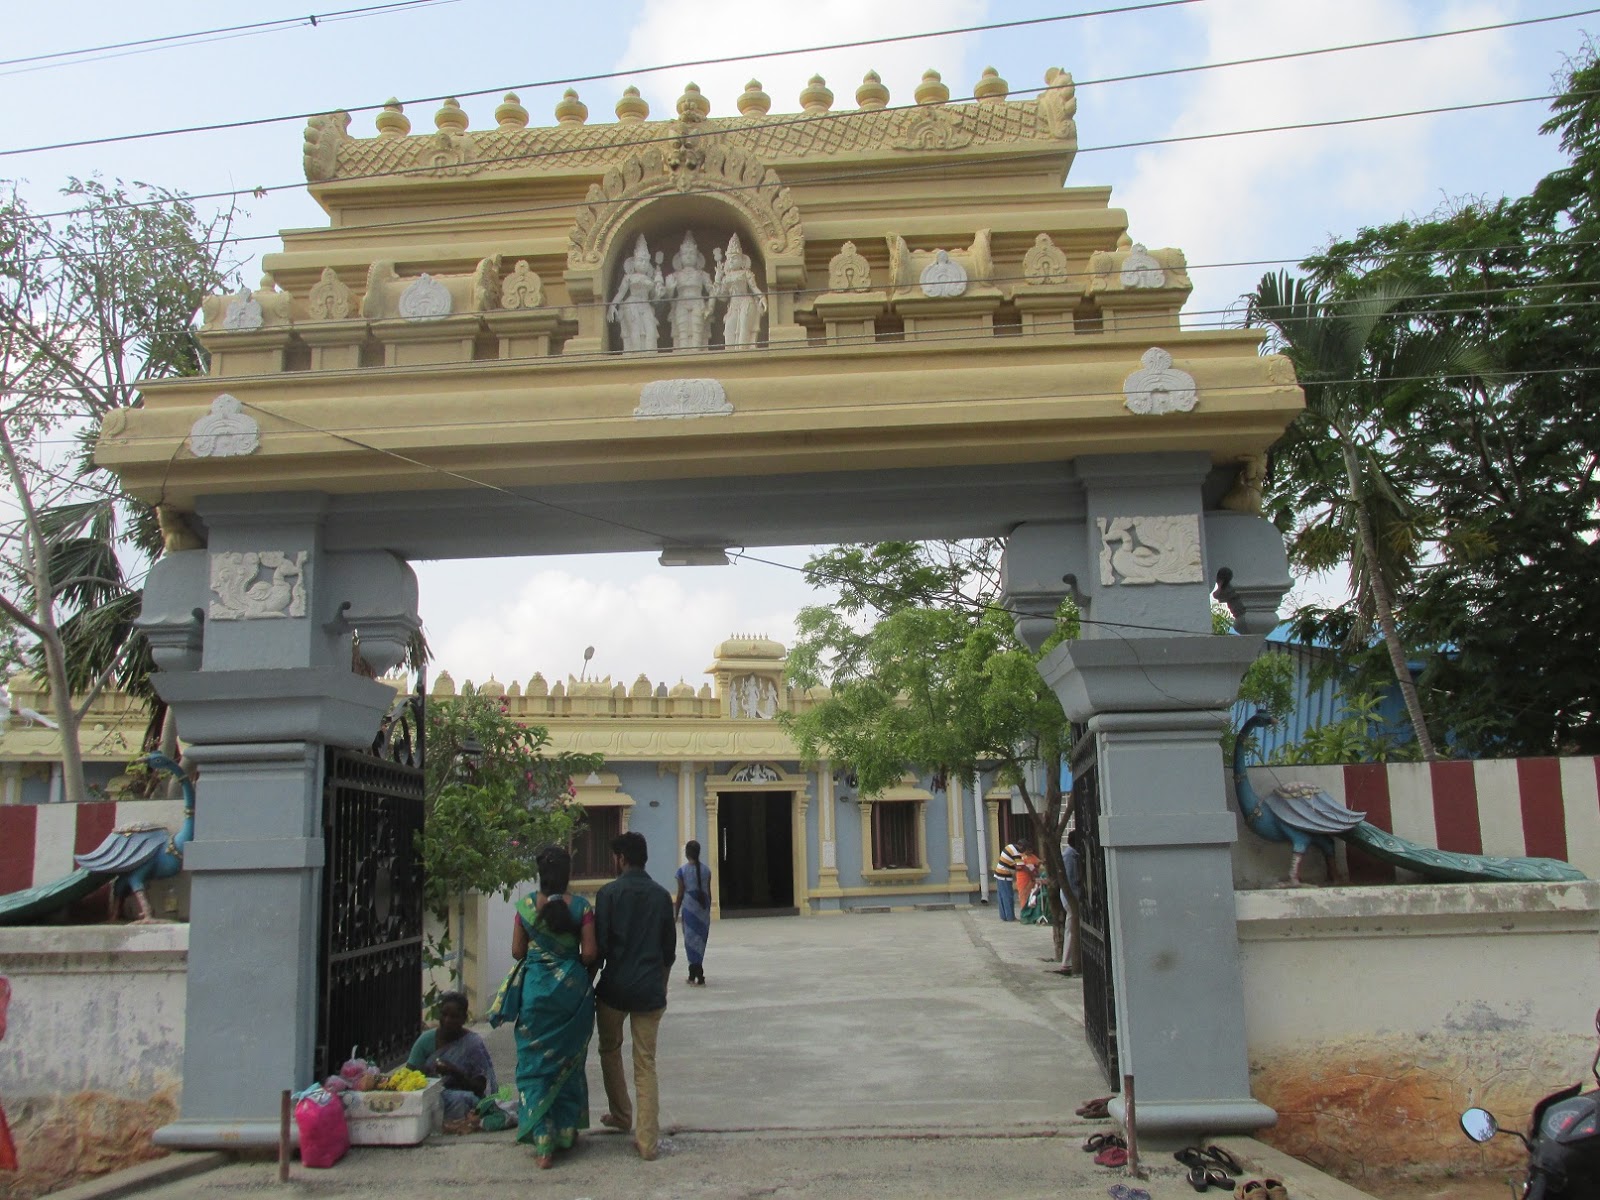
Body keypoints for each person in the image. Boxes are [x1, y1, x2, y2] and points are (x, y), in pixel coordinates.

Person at [509, 845, 599, 1168]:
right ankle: (565, 1131)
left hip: (535, 994)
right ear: (568, 875)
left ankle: (543, 1140)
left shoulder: (525, 908)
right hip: (572, 995)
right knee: (569, 1062)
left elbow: (518, 951)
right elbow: (589, 953)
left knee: (535, 1063)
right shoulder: (583, 908)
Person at [594, 831, 676, 1160]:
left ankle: (621, 1114)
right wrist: (662, 986)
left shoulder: (607, 894)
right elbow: (668, 952)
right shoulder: (660, 896)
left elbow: (598, 949)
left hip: (613, 987)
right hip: (649, 989)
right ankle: (647, 1141)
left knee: (609, 1050)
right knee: (646, 1063)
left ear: (622, 859)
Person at [406, 991, 496, 1122]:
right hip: (430, 1098)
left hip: (461, 1096)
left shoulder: (473, 1044)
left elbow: (481, 1088)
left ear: (463, 1019)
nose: (447, 1020)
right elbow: (408, 1075)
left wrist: (455, 1073)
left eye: (454, 1016)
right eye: (444, 1015)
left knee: (463, 1100)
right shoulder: (425, 1040)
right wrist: (424, 1075)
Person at [674, 840, 712, 985]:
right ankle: (696, 973)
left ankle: (695, 974)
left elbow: (679, 894)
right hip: (702, 910)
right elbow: (709, 893)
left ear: (687, 853)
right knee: (700, 942)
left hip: (689, 909)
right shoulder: (706, 871)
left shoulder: (681, 871)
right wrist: (707, 911)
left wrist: (676, 912)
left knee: (690, 942)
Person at [1053, 828, 1086, 976]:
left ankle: (1069, 961)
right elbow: (1069, 879)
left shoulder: (1073, 854)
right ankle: (1067, 962)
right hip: (1070, 896)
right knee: (1071, 930)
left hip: (1071, 895)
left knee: (1072, 929)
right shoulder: (1069, 856)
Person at [993, 838, 1024, 921]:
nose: (1023, 852)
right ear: (1020, 846)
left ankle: (1003, 916)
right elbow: (1020, 867)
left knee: (1001, 896)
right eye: (1023, 849)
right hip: (1004, 875)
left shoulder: (1009, 847)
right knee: (1008, 896)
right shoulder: (1016, 852)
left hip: (998, 873)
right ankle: (1010, 916)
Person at [1015, 841, 1044, 924]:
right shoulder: (1018, 857)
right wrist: (1032, 871)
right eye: (1028, 850)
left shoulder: (1032, 856)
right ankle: (1024, 915)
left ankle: (1031, 915)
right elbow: (1021, 867)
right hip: (1022, 880)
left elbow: (1038, 863)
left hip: (1032, 880)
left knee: (1031, 897)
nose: (1030, 852)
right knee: (1023, 896)